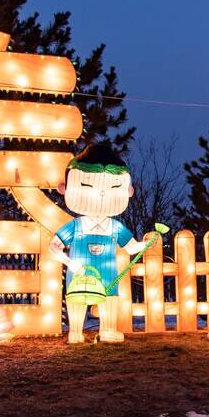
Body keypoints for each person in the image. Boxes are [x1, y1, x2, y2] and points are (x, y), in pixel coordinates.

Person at [48, 143, 146, 343]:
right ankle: (75, 331)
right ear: (64, 189)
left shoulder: (115, 226)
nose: (101, 193)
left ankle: (108, 329)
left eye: (113, 187)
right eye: (87, 185)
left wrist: (144, 244)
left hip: (108, 275)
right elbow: (54, 246)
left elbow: (131, 247)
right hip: (79, 274)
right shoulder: (75, 225)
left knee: (110, 299)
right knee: (77, 298)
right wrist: (69, 263)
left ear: (128, 191)